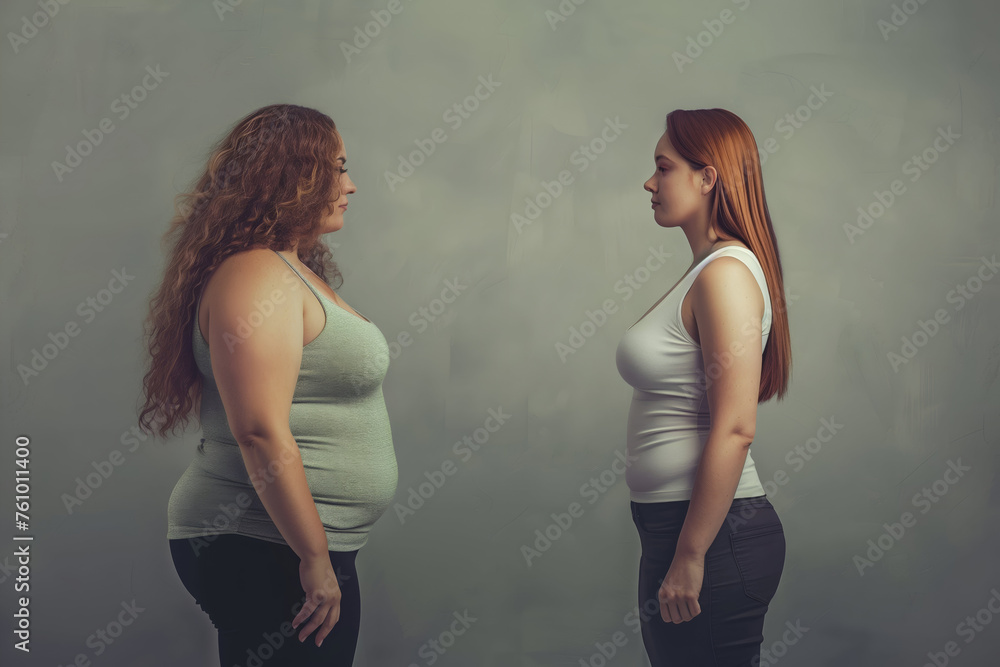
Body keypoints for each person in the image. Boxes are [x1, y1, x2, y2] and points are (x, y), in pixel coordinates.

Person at [137, 104, 397, 666]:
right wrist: (312, 555)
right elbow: (257, 430)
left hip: (289, 546)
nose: (351, 185)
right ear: (292, 177)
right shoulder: (256, 274)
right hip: (261, 543)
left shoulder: (288, 267)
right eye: (338, 167)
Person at [616, 108, 792, 665]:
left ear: (707, 176)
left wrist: (691, 555)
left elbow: (737, 428)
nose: (650, 182)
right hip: (676, 530)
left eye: (662, 167)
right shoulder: (707, 269)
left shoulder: (726, 275)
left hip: (712, 539)